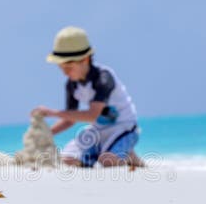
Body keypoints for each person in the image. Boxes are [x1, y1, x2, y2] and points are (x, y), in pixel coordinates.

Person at [31, 26, 142, 167]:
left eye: (69, 67)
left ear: (85, 59)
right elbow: (69, 120)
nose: (65, 73)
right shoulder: (72, 85)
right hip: (97, 130)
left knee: (108, 161)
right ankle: (103, 153)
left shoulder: (103, 78)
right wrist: (47, 133)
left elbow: (92, 115)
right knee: (68, 161)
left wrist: (52, 113)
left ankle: (129, 156)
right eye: (61, 67)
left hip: (123, 128)